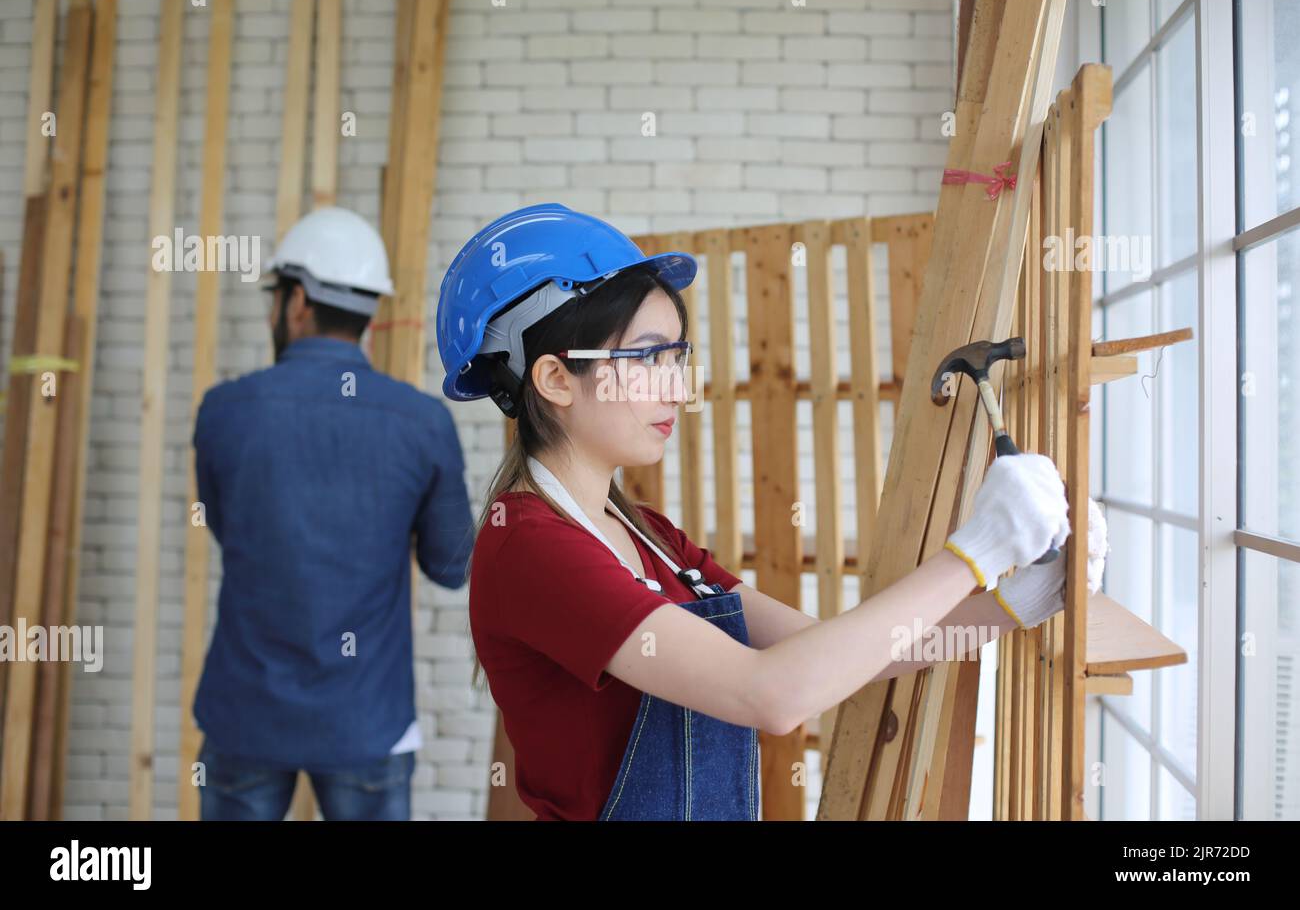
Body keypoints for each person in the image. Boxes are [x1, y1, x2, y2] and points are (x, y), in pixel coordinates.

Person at [436, 202, 1107, 821]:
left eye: (677, 355)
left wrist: (1009, 602)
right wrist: (977, 550)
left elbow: (836, 654)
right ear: (556, 378)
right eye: (646, 358)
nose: (677, 385)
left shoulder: (649, 537)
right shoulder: (529, 549)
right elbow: (772, 693)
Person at [191, 206, 475, 820]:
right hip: (366, 720)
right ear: (368, 310)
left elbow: (227, 528)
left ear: (296, 301)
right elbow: (452, 567)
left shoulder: (224, 411)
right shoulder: (422, 422)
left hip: (246, 715)